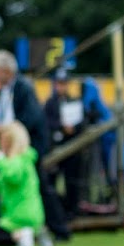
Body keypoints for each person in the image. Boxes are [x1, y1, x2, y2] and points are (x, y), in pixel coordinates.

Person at [0, 48, 69, 240]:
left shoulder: (23, 88)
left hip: (26, 147)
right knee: (6, 181)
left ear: (5, 71)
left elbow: (31, 118)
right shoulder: (4, 90)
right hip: (13, 145)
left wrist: (5, 130)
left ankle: (60, 229)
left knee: (41, 186)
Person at [43, 67, 96, 218]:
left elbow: (82, 122)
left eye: (64, 83)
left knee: (72, 181)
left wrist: (73, 128)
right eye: (59, 83)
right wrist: (61, 126)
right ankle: (55, 211)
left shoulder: (74, 102)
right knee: (51, 180)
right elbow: (47, 124)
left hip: (72, 149)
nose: (61, 86)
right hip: (56, 148)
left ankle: (72, 210)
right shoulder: (50, 104)